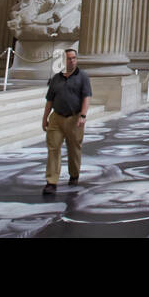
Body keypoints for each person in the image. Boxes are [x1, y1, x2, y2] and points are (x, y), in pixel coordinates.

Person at [42, 48, 91, 195]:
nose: (72, 60)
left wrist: (83, 115)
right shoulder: (56, 78)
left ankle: (74, 174)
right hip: (56, 117)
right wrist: (45, 117)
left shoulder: (83, 77)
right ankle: (51, 181)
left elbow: (86, 97)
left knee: (74, 148)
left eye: (74, 58)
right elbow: (49, 99)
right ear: (64, 60)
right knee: (53, 149)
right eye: (69, 58)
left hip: (74, 118)